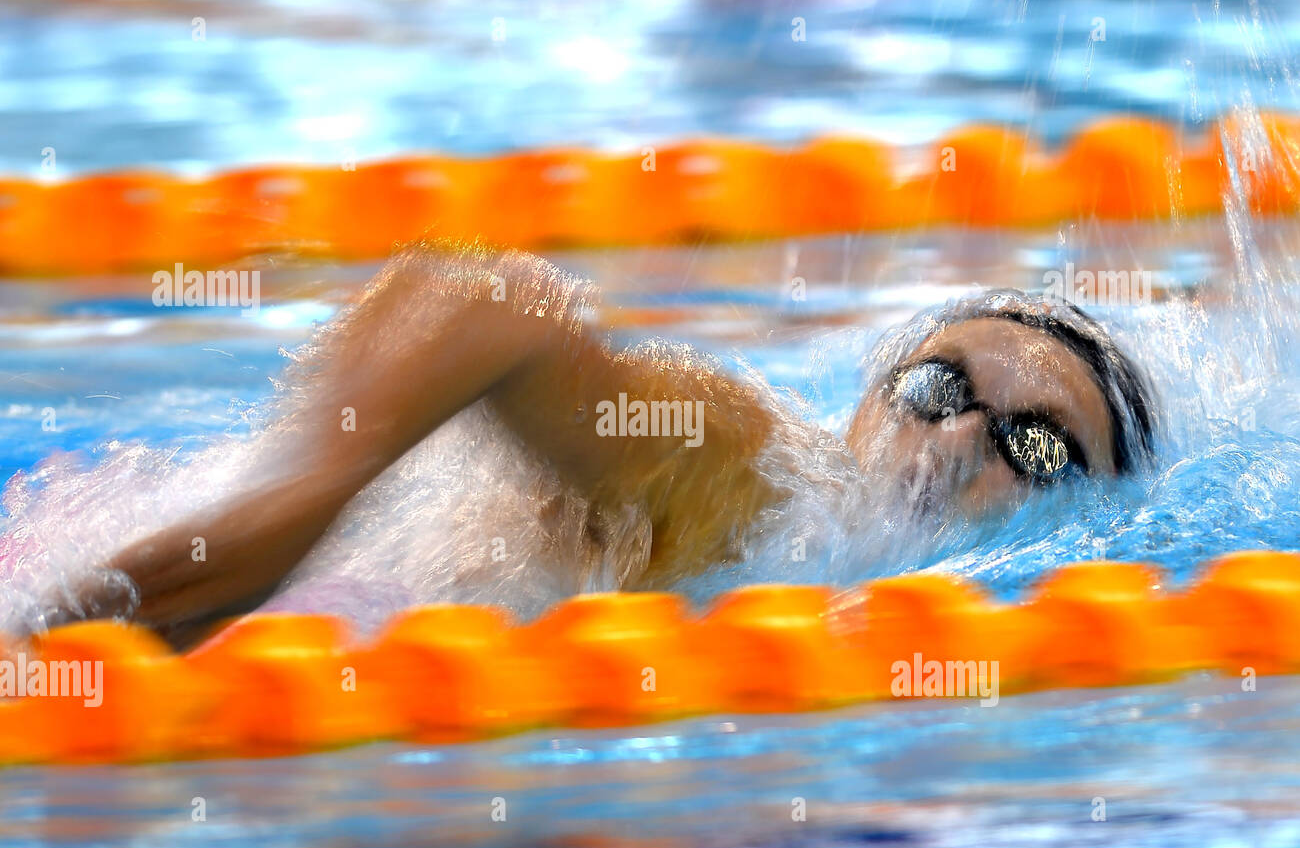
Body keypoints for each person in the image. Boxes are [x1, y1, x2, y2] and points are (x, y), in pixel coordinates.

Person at [70, 240, 1155, 642]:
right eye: (937, 382)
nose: (960, 434)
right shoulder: (779, 482)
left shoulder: (841, 591)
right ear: (868, 399)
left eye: (1038, 446)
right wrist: (276, 517)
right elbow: (485, 303)